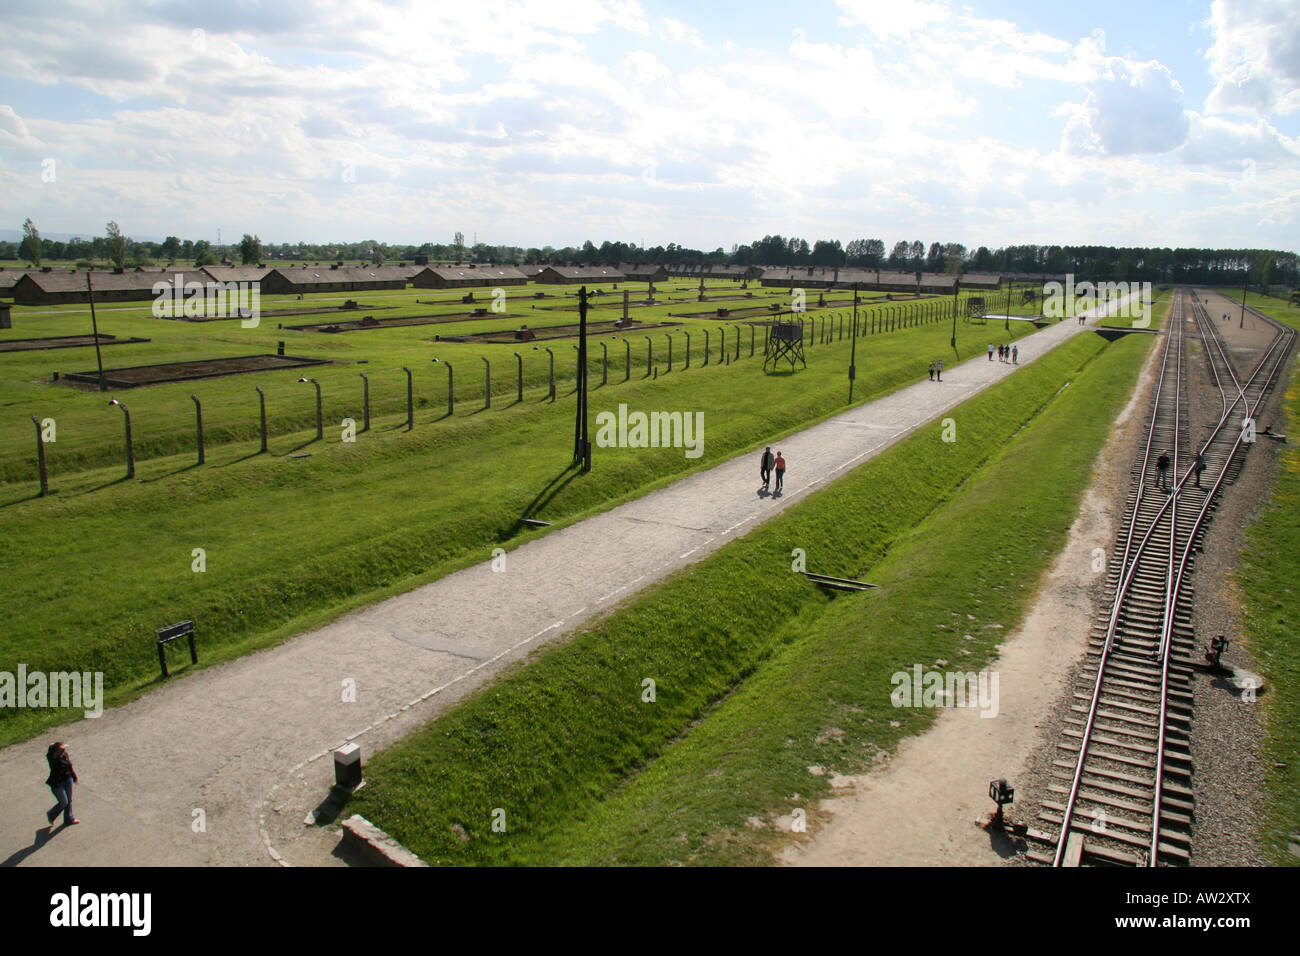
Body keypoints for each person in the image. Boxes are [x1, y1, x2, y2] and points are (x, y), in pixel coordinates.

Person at [45, 742, 79, 827]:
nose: (64, 751)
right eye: (62, 749)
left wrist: (74, 776)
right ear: (56, 751)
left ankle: (69, 819)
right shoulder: (52, 759)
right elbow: (53, 758)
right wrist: (57, 751)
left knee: (69, 800)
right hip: (57, 783)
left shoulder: (64, 755)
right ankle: (51, 815)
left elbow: (69, 766)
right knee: (64, 802)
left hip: (68, 779)